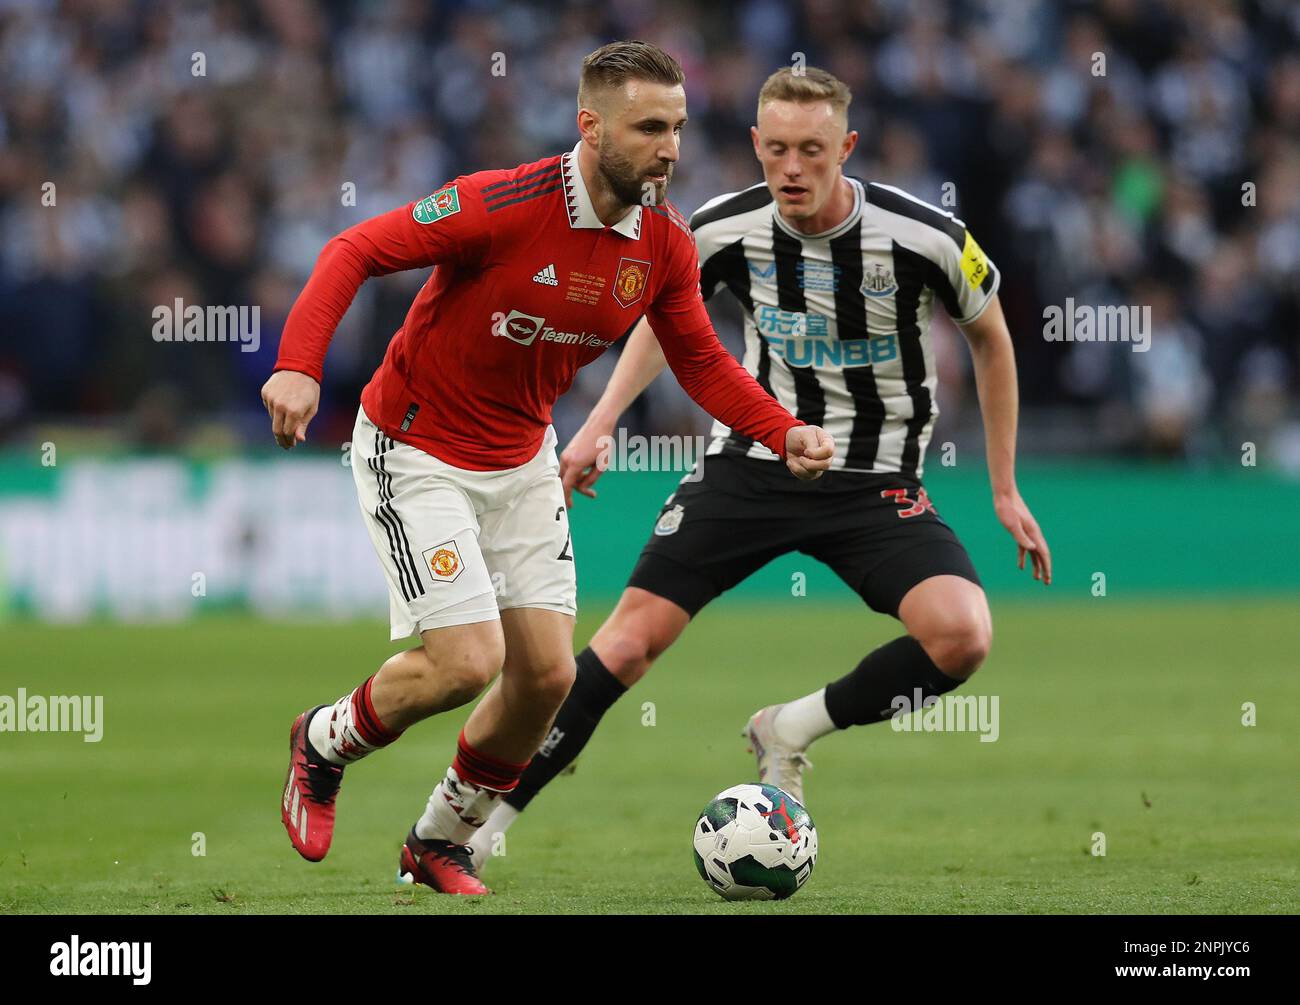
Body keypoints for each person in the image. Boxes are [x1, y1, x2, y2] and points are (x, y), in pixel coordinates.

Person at [263, 42, 835, 895]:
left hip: (522, 455)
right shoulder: (499, 204)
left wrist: (783, 430)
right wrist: (300, 363)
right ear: (590, 126)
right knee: (465, 661)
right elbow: (353, 249)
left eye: (678, 128)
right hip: (416, 447)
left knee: (548, 676)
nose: (671, 148)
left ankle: (437, 840)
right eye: (649, 128)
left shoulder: (665, 245)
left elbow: (702, 361)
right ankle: (322, 742)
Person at [470, 65, 1052, 866]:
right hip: (752, 461)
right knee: (628, 641)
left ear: (845, 146)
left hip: (876, 483)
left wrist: (1004, 486)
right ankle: (482, 822)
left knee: (962, 637)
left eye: (812, 150)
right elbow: (662, 325)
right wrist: (600, 421)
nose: (791, 168)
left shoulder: (928, 237)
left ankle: (789, 727)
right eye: (775, 148)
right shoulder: (718, 228)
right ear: (755, 144)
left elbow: (992, 336)